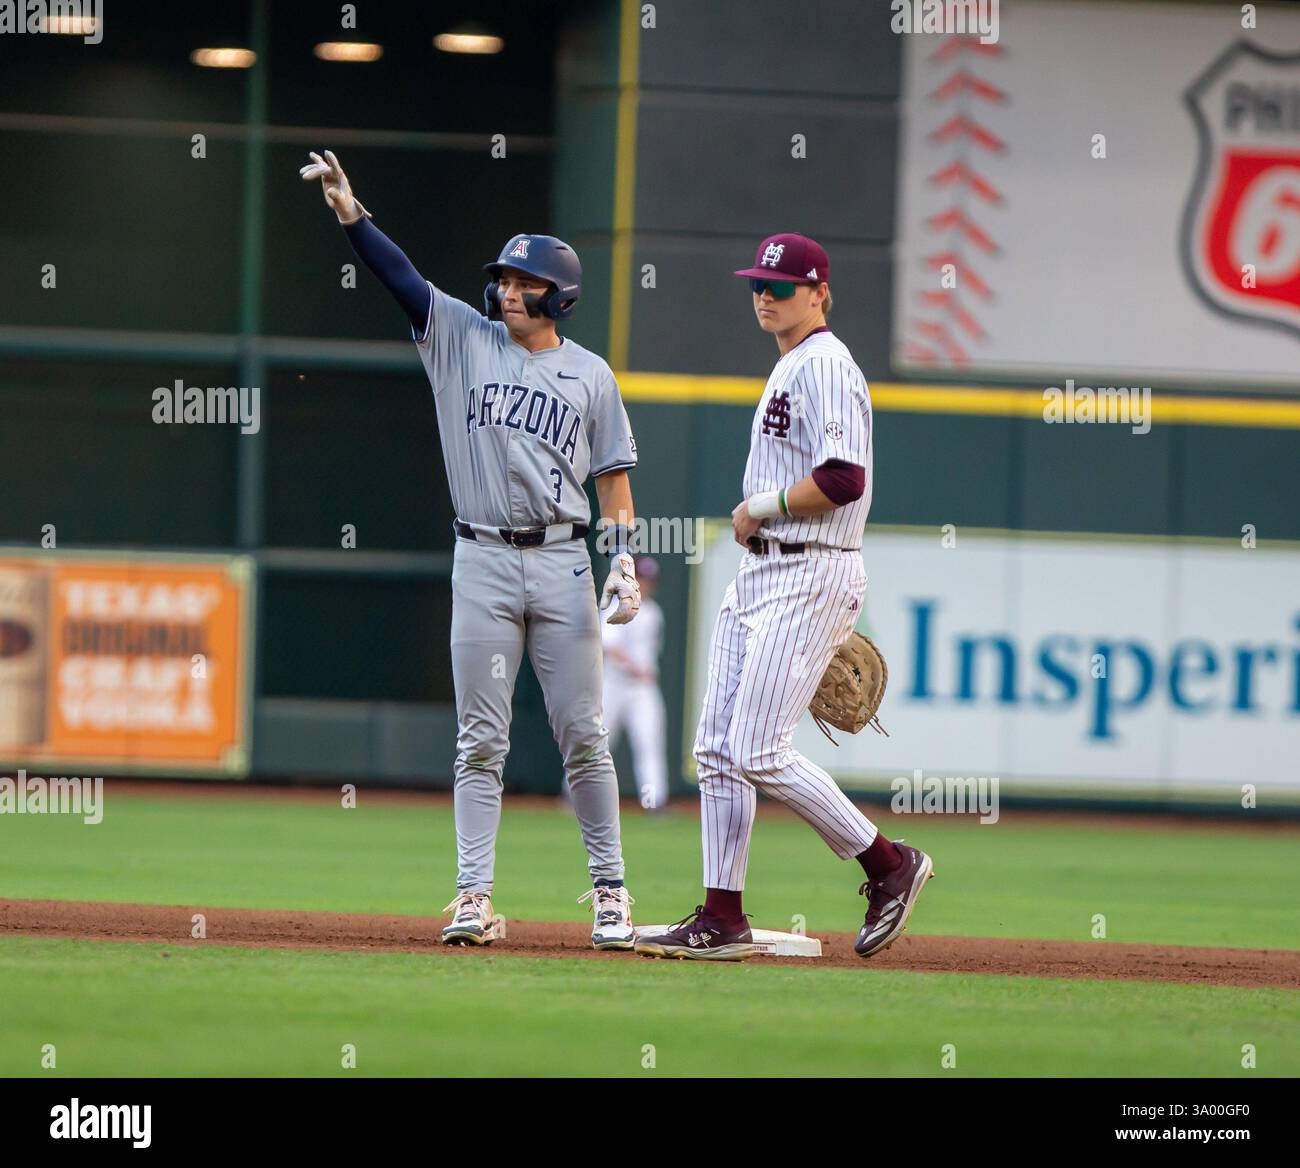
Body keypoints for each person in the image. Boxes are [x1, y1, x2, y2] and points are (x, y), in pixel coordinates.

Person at [300, 150, 641, 950]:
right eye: (505, 279)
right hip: (482, 559)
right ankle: (472, 897)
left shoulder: (591, 377)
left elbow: (614, 484)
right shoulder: (461, 335)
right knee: (480, 739)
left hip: (563, 563)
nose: (509, 290)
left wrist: (621, 560)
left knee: (584, 735)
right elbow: (403, 279)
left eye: (524, 282)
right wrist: (355, 214)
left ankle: (611, 894)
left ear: (559, 295)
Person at [635, 233, 934, 962]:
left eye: (781, 285)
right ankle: (721, 916)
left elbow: (843, 479)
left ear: (819, 292)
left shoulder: (827, 364)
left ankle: (889, 864)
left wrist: (759, 505)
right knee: (716, 749)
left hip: (811, 566)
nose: (764, 296)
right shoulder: (792, 364)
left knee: (760, 750)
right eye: (757, 285)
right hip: (764, 574)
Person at [600, 555, 668, 811]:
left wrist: (642, 672)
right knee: (597, 743)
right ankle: (575, 796)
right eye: (643, 578)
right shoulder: (616, 604)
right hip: (614, 685)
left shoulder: (653, 613)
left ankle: (654, 802)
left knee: (649, 743)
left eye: (650, 580)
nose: (647, 584)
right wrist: (634, 668)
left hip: (642, 689)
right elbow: (609, 647)